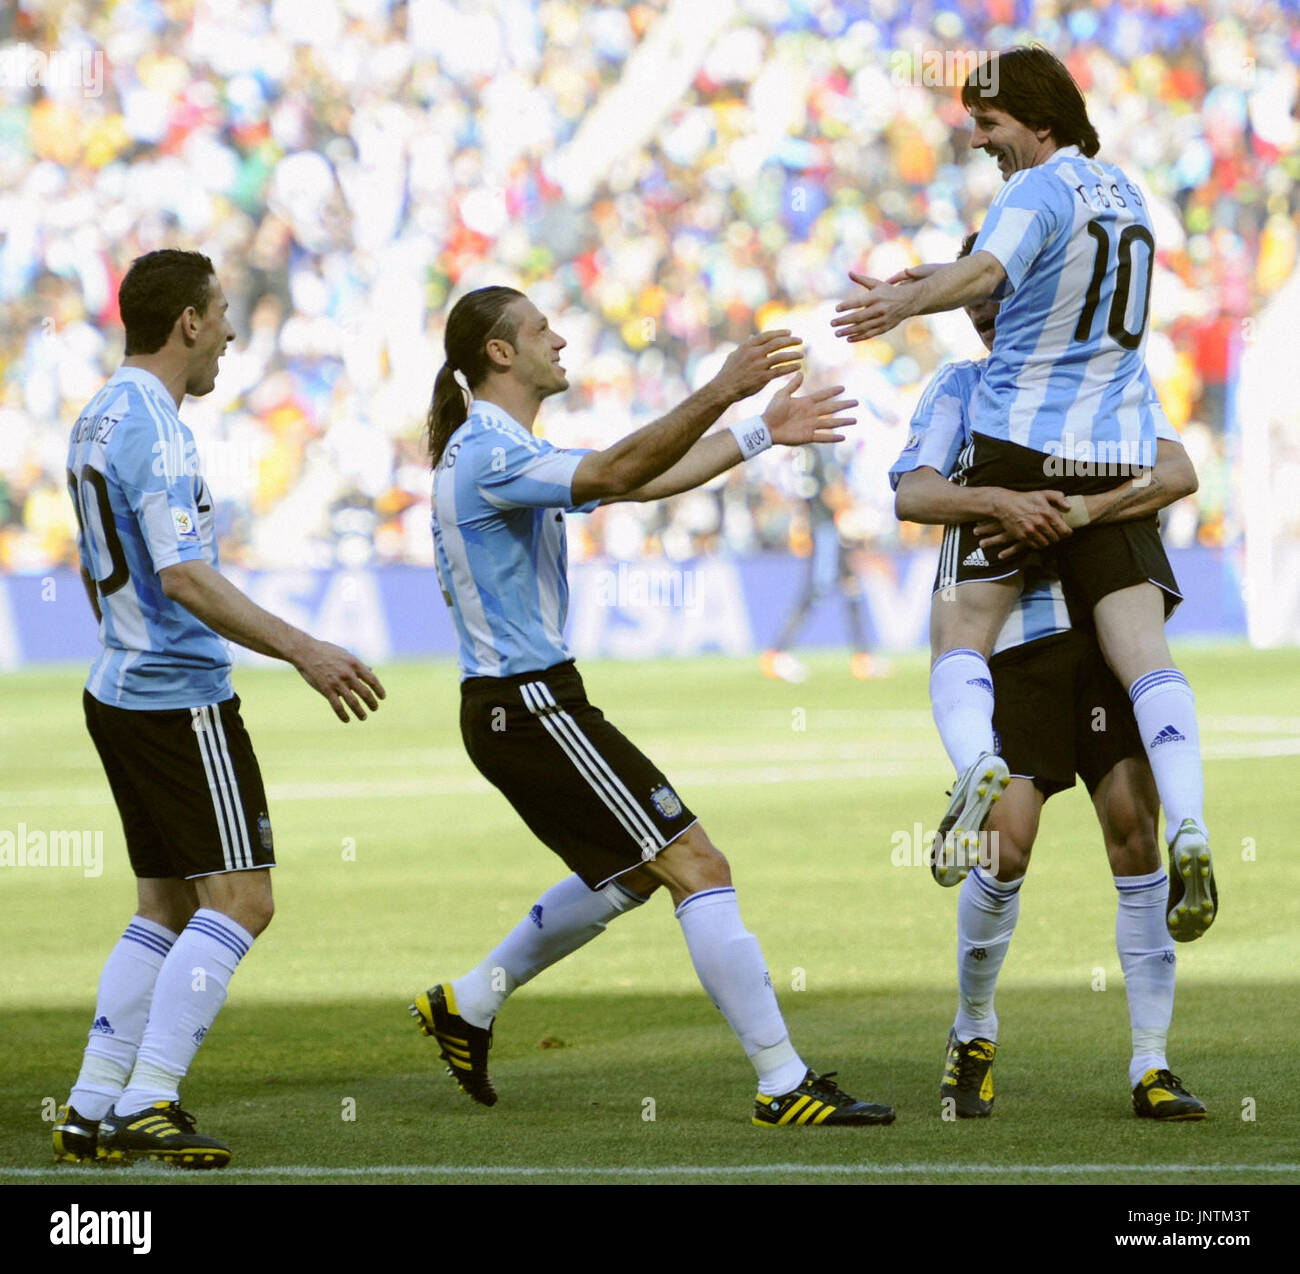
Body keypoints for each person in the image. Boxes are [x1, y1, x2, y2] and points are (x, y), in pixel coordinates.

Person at [410, 284, 893, 1127]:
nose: (559, 340)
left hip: (516, 704)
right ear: (500, 353)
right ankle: (783, 1084)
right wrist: (723, 389)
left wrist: (759, 432)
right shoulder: (488, 450)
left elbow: (633, 484)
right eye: (540, 330)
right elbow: (619, 470)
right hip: (529, 703)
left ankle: (470, 1002)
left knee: (632, 870)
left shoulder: (500, 446)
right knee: (697, 864)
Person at [833, 45, 1214, 947]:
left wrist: (903, 303)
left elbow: (989, 275)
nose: (980, 143)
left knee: (960, 631)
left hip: (1023, 434)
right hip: (1111, 442)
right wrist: (927, 279)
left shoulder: (1033, 189)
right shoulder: (1125, 195)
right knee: (1148, 657)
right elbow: (1025, 284)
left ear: (1040, 121)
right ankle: (1193, 818)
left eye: (990, 125)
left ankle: (974, 767)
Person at [55, 250, 385, 1169]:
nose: (233, 334)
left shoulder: (95, 415)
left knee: (164, 905)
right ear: (188, 323)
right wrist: (305, 650)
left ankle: (88, 1107)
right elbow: (187, 574)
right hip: (176, 699)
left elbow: (99, 566)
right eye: (224, 314)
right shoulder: (156, 429)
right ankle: (151, 1095)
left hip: (116, 688)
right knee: (241, 900)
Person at [890, 243, 1208, 1119]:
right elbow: (914, 492)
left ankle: (1151, 1063)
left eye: (996, 295)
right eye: (974, 303)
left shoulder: (1104, 374)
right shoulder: (960, 386)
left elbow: (1178, 470)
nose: (985, 314)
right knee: (1008, 844)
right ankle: (972, 1034)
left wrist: (1089, 509)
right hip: (1021, 643)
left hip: (1100, 639)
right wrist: (1000, 504)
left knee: (1132, 834)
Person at [759, 443, 892, 683]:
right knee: (816, 590)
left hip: (827, 528)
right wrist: (862, 513)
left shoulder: (805, 450)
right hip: (826, 529)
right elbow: (832, 494)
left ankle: (863, 658)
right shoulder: (820, 451)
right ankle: (777, 654)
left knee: (852, 587)